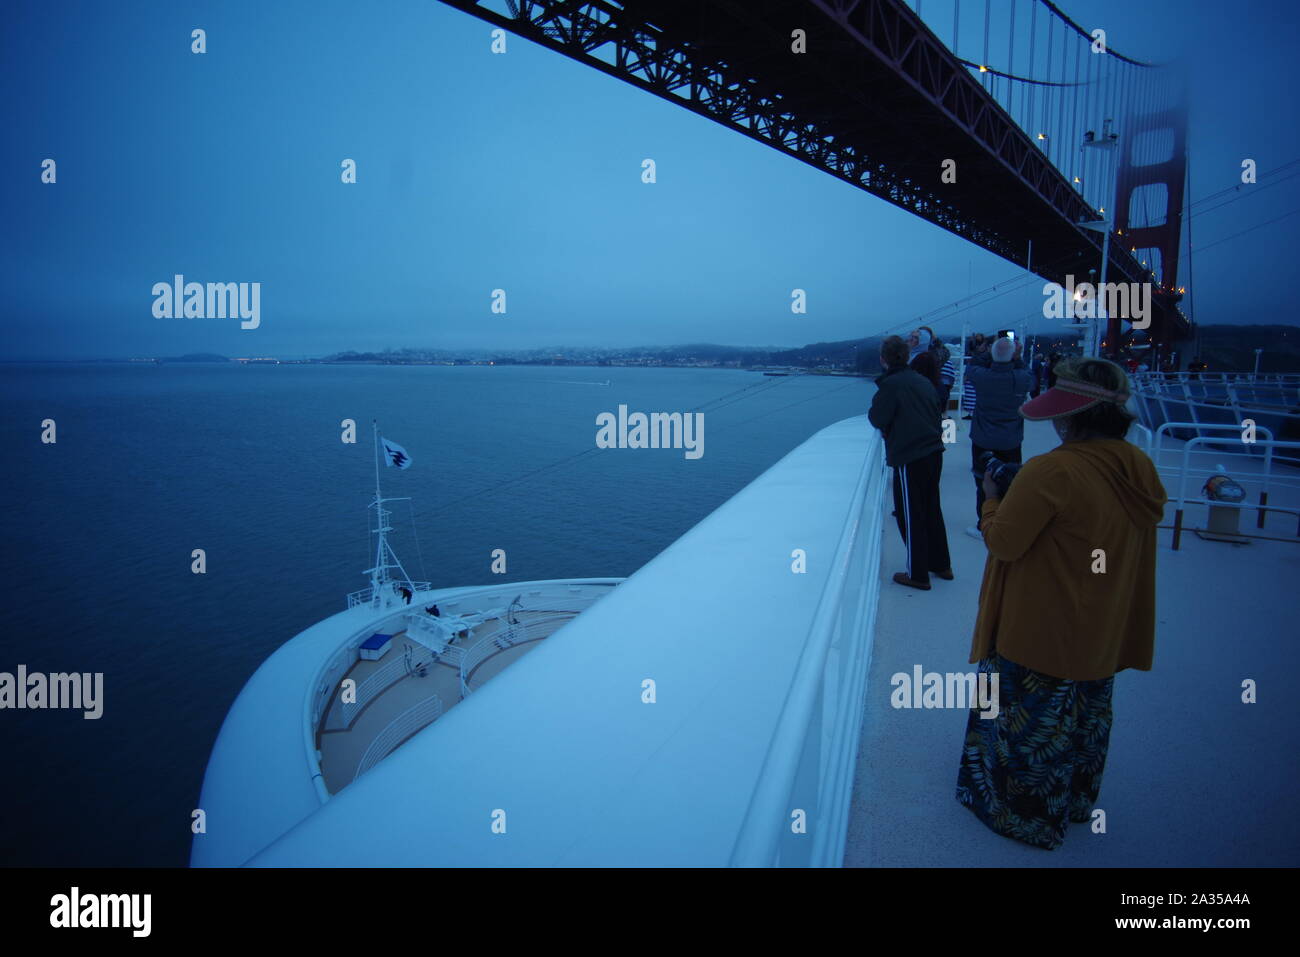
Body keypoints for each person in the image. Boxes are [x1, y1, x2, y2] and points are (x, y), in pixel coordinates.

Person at [954, 356, 1167, 850]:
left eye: (1059, 411)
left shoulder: (1053, 471)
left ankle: (1023, 819)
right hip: (1101, 627)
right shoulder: (1137, 466)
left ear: (1073, 416)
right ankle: (1073, 801)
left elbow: (1005, 543)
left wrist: (991, 500)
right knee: (1085, 716)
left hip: (1040, 628)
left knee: (1029, 725)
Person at [868, 335, 952, 589]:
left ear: (884, 359)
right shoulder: (921, 381)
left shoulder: (892, 385)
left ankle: (917, 574)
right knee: (930, 509)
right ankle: (941, 564)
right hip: (933, 452)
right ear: (906, 356)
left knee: (909, 513)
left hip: (911, 456)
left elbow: (877, 417)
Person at [964, 336, 1032, 539]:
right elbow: (1030, 376)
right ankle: (1007, 522)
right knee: (1011, 482)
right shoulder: (1021, 378)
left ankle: (982, 524)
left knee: (981, 483)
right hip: (1011, 439)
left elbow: (973, 365)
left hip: (983, 439)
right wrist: (1016, 357)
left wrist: (989, 352)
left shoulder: (981, 375)